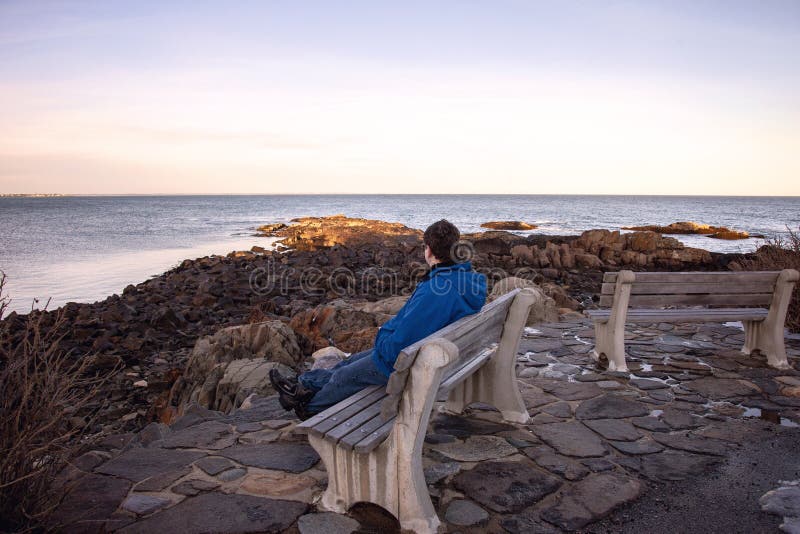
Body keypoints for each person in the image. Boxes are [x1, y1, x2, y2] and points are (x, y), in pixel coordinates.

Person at [269, 219, 487, 420]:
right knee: (349, 363)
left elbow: (396, 349)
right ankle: (301, 385)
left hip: (407, 364)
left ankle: (308, 409)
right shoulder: (464, 279)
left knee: (344, 376)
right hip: (429, 355)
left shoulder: (437, 290)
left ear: (428, 250)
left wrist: (382, 334)